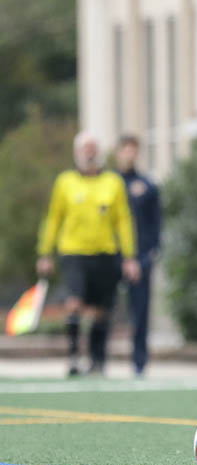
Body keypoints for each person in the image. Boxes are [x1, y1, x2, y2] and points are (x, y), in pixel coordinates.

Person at [37, 131, 141, 376]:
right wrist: (45, 252)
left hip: (104, 253)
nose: (90, 153)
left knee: (99, 310)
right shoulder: (65, 182)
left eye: (94, 148)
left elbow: (123, 221)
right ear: (77, 153)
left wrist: (129, 256)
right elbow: (53, 218)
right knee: (74, 303)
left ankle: (97, 360)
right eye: (86, 148)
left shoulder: (113, 182)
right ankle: (73, 356)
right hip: (73, 252)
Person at [114, 135, 161, 376]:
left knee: (140, 311)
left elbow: (156, 222)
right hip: (110, 256)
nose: (129, 155)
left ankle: (139, 362)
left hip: (140, 257)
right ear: (118, 152)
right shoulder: (108, 183)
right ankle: (97, 360)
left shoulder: (147, 185)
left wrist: (151, 252)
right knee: (102, 309)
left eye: (134, 150)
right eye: (126, 150)